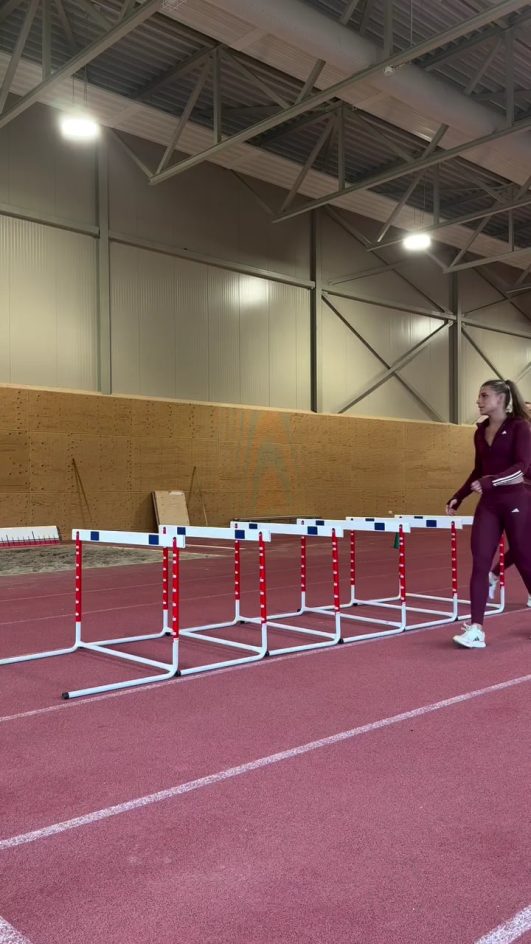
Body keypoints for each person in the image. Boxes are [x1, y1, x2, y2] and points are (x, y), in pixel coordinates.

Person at [445, 379, 531, 648]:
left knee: (526, 560)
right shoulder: (479, 431)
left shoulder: (520, 427)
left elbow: (522, 467)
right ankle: (476, 629)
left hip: (517, 501)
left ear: (501, 399)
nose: (478, 401)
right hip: (489, 505)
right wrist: (459, 496)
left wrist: (490, 481)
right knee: (481, 562)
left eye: (484, 395)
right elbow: (477, 471)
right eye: (479, 395)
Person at [488, 402, 531, 607]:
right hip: (522, 495)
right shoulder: (518, 436)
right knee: (523, 546)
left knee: (523, 546)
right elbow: (522, 468)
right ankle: (494, 575)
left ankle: (494, 575)